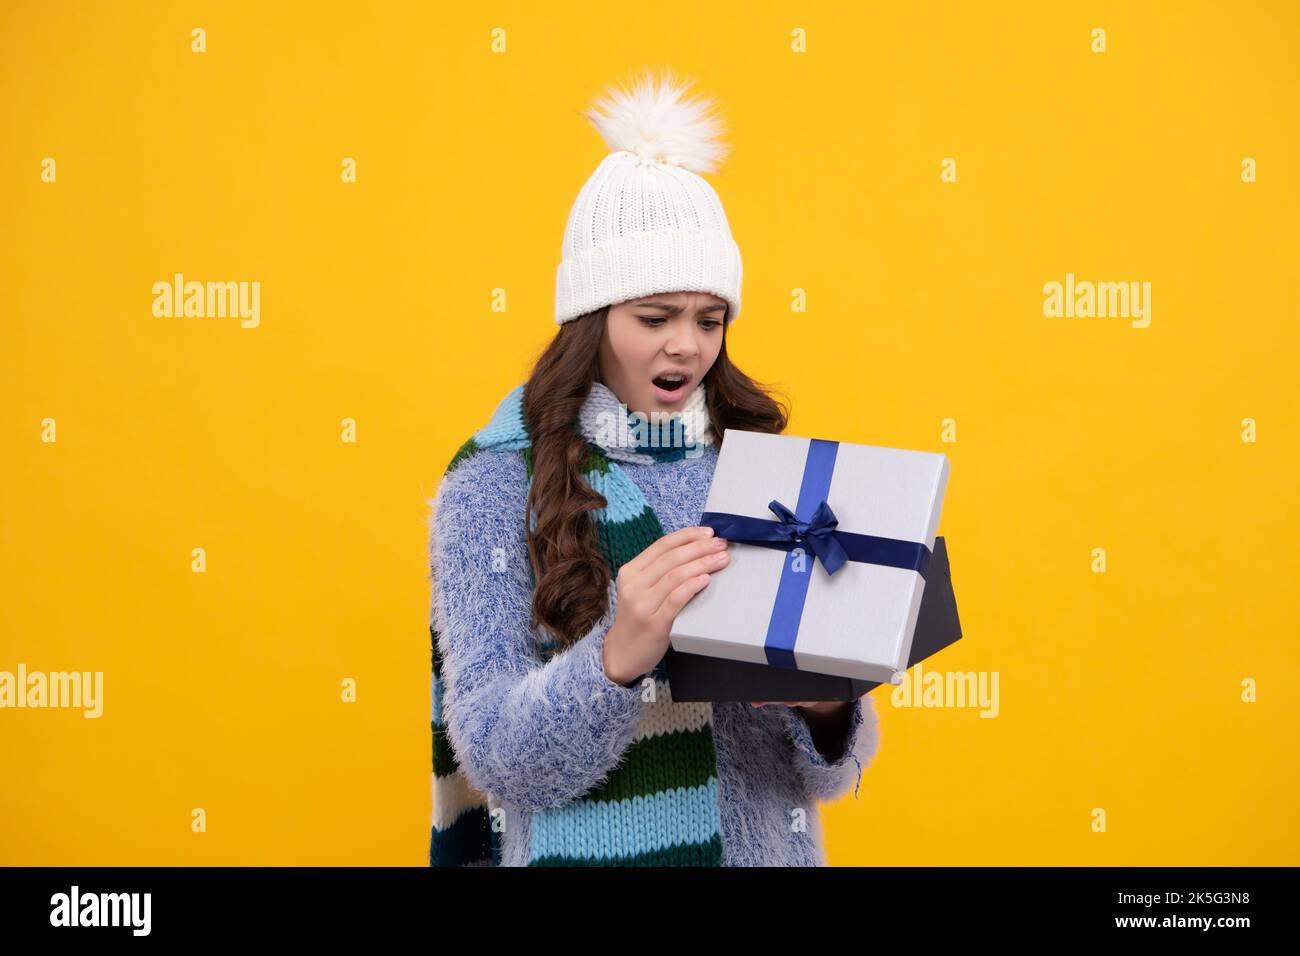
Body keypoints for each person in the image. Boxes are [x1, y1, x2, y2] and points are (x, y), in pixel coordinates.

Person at [428, 70, 879, 867]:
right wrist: (617, 653)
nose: (687, 346)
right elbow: (495, 757)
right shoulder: (494, 485)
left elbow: (832, 772)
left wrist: (826, 704)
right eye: (654, 317)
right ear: (590, 320)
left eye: (709, 319)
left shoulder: (757, 468)